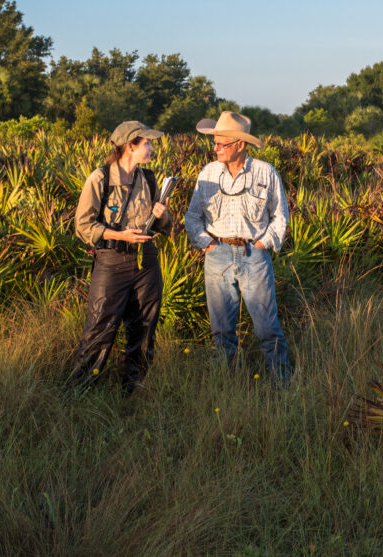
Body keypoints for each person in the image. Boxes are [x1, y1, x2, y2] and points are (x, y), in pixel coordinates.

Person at [184, 111, 291, 383]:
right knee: (221, 330)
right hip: (217, 255)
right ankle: (226, 384)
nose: (216, 148)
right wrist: (206, 243)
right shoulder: (207, 173)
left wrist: (263, 243)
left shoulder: (265, 172)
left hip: (253, 255)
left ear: (240, 145)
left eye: (222, 144)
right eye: (215, 143)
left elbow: (280, 215)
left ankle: (283, 384)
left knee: (267, 327)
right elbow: (192, 216)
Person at [68, 120, 172, 395]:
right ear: (130, 145)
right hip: (112, 261)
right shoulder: (100, 179)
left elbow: (162, 227)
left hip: (146, 261)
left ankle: (133, 389)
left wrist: (162, 215)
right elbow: (83, 226)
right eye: (147, 143)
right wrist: (120, 236)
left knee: (145, 326)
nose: (151, 148)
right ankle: (80, 390)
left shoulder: (148, 179)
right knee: (101, 326)